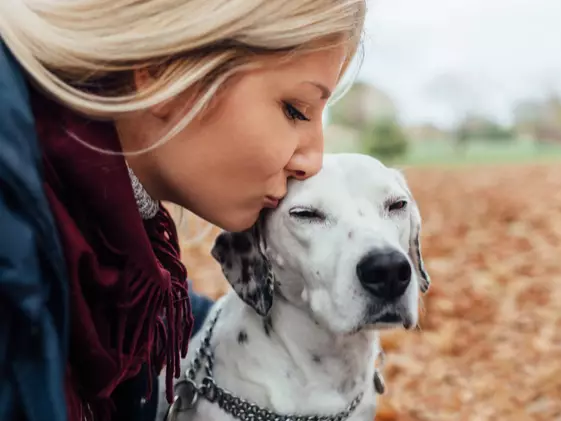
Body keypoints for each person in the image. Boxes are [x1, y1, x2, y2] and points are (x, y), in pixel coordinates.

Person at [0, 1, 366, 421]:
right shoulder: (14, 235)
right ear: (164, 70)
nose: (313, 159)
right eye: (295, 109)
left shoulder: (114, 247)